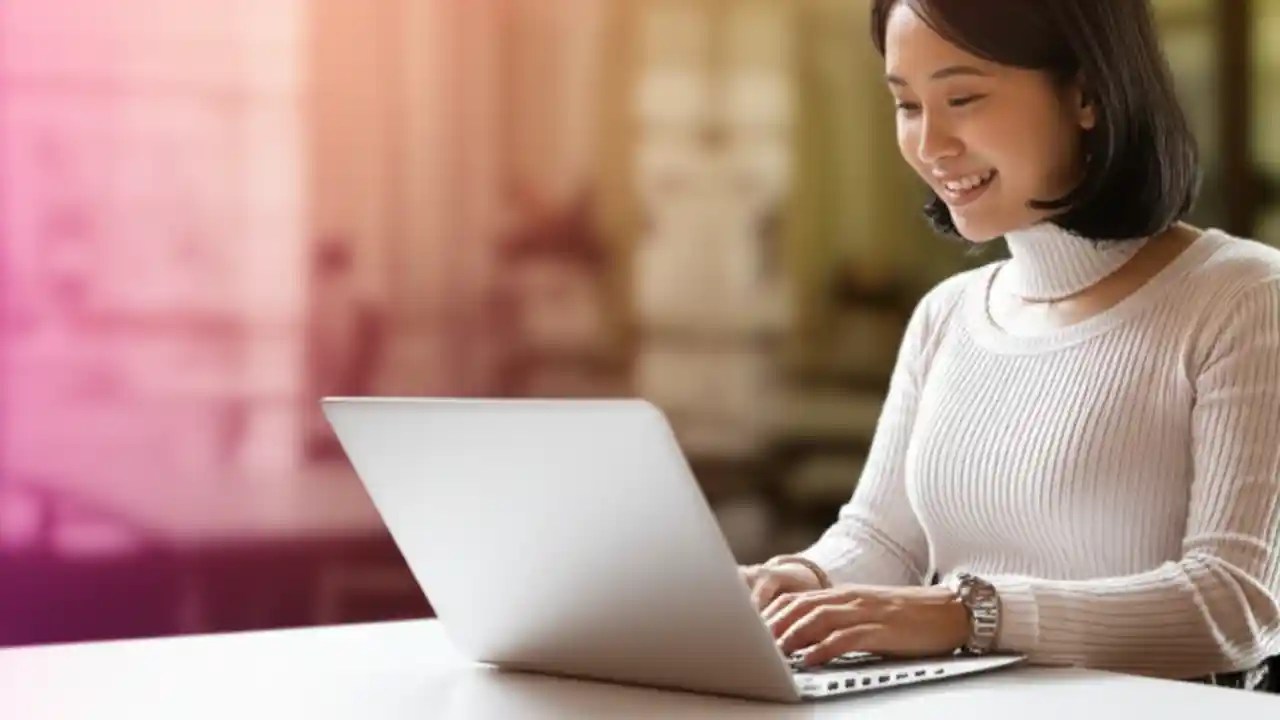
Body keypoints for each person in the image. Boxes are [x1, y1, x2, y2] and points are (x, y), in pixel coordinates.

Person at [741, 0, 1280, 689]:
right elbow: (882, 540)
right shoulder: (948, 314)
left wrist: (968, 613)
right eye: (908, 106)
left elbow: (1235, 607)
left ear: (1087, 94)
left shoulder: (1243, 299)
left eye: (962, 99)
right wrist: (797, 580)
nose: (930, 144)